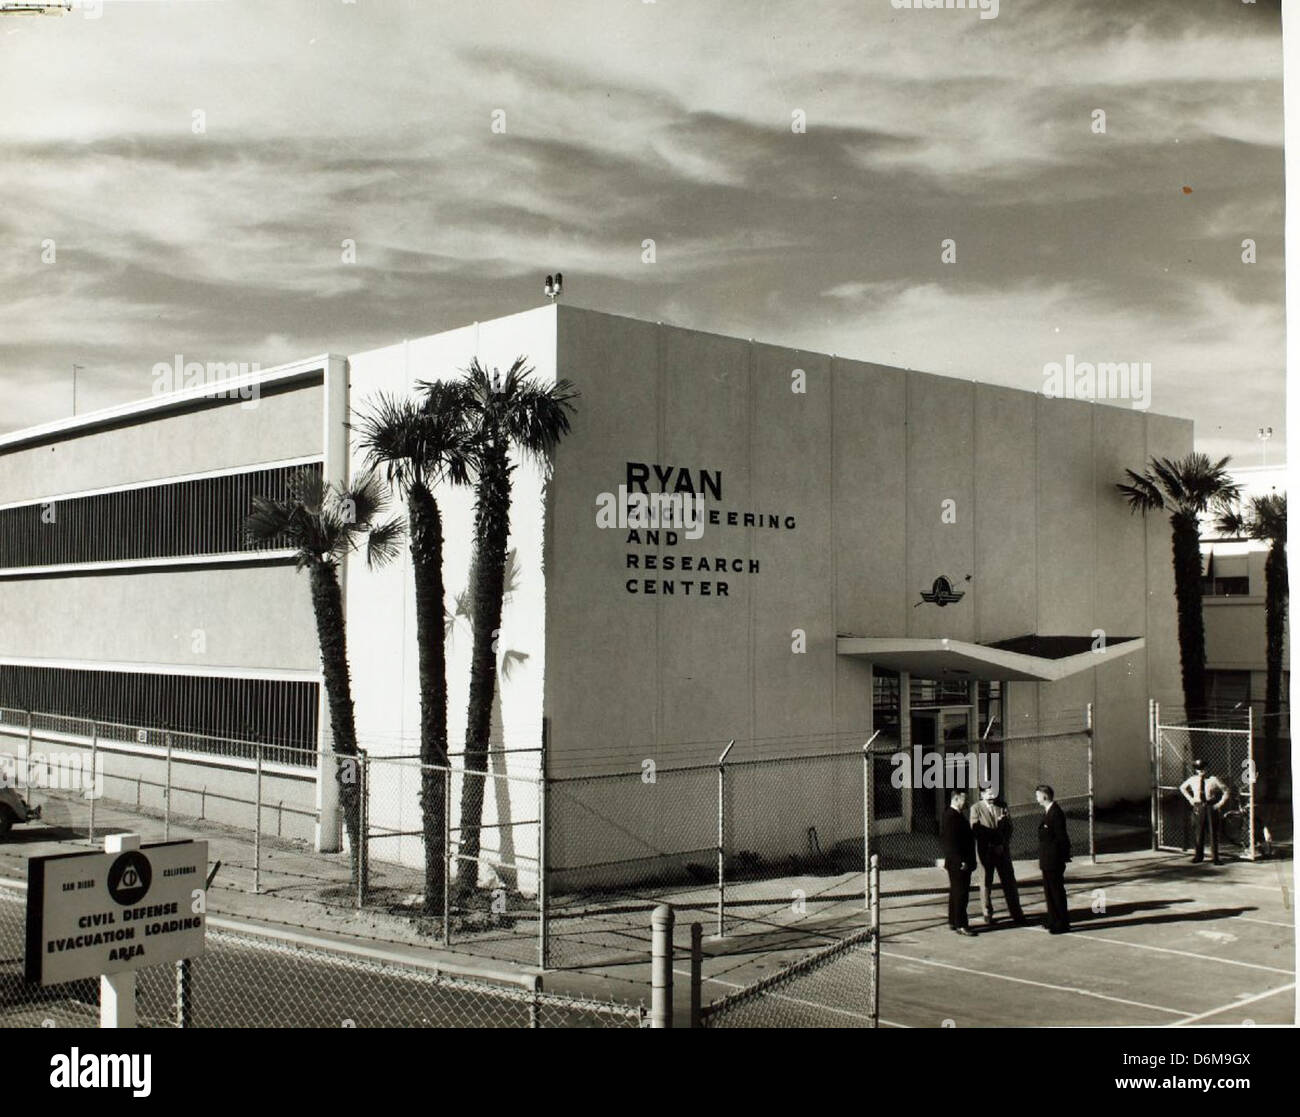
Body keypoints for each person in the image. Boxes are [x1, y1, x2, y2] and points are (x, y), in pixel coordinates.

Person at [970, 785, 1026, 926]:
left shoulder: (1002, 806)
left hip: (1002, 851)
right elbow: (976, 830)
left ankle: (1016, 913)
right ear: (981, 794)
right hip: (986, 852)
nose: (991, 797)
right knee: (985, 883)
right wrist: (994, 842)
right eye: (988, 794)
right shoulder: (975, 809)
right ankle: (987, 912)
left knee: (1009, 882)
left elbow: (1009, 828)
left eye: (992, 793)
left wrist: (1002, 843)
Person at [941, 789, 977, 936]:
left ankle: (953, 920)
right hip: (959, 863)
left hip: (957, 862)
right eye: (964, 800)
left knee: (956, 892)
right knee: (961, 893)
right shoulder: (951, 817)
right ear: (956, 799)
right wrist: (960, 861)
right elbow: (950, 843)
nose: (966, 802)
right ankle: (961, 924)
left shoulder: (955, 815)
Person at [1035, 784, 1071, 934]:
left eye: (1037, 795)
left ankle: (1062, 923)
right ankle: (1053, 919)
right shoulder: (1048, 812)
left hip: (1053, 860)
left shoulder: (1056, 813)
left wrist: (1062, 858)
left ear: (1045, 796)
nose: (1036, 798)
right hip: (1047, 860)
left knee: (1056, 892)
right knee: (1049, 892)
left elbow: (1062, 838)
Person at [1179, 759, 1228, 865]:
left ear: (1207, 768)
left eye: (1203, 768)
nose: (1201, 771)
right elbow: (1182, 788)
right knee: (1198, 832)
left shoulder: (1213, 779)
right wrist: (1190, 799)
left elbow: (1226, 791)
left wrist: (1219, 804)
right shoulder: (1192, 779)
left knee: (1213, 832)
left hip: (1210, 807)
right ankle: (1198, 856)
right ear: (1196, 770)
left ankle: (1215, 858)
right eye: (1198, 769)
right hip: (1198, 807)